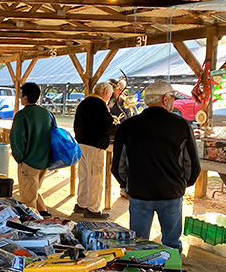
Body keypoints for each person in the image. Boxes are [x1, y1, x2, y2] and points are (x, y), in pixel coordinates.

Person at [112, 81, 201, 250]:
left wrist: (126, 183)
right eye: (173, 99)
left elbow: (118, 165)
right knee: (172, 244)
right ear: (166, 99)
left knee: (138, 244)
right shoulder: (181, 125)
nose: (173, 102)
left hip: (139, 191)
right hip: (171, 192)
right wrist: (182, 184)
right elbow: (192, 164)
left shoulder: (128, 126)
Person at [9, 82, 53, 215]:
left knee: (28, 198)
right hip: (45, 160)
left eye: (22, 95)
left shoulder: (22, 115)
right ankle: (44, 213)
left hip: (29, 161)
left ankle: (33, 223)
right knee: (34, 190)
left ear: (26, 97)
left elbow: (17, 139)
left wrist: (19, 158)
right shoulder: (46, 113)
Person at [73, 82, 116, 219]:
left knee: (84, 176)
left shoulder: (84, 103)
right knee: (95, 177)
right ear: (104, 91)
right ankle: (93, 209)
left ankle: (82, 203)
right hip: (94, 145)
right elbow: (107, 126)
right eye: (110, 94)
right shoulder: (99, 105)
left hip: (82, 143)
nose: (110, 97)